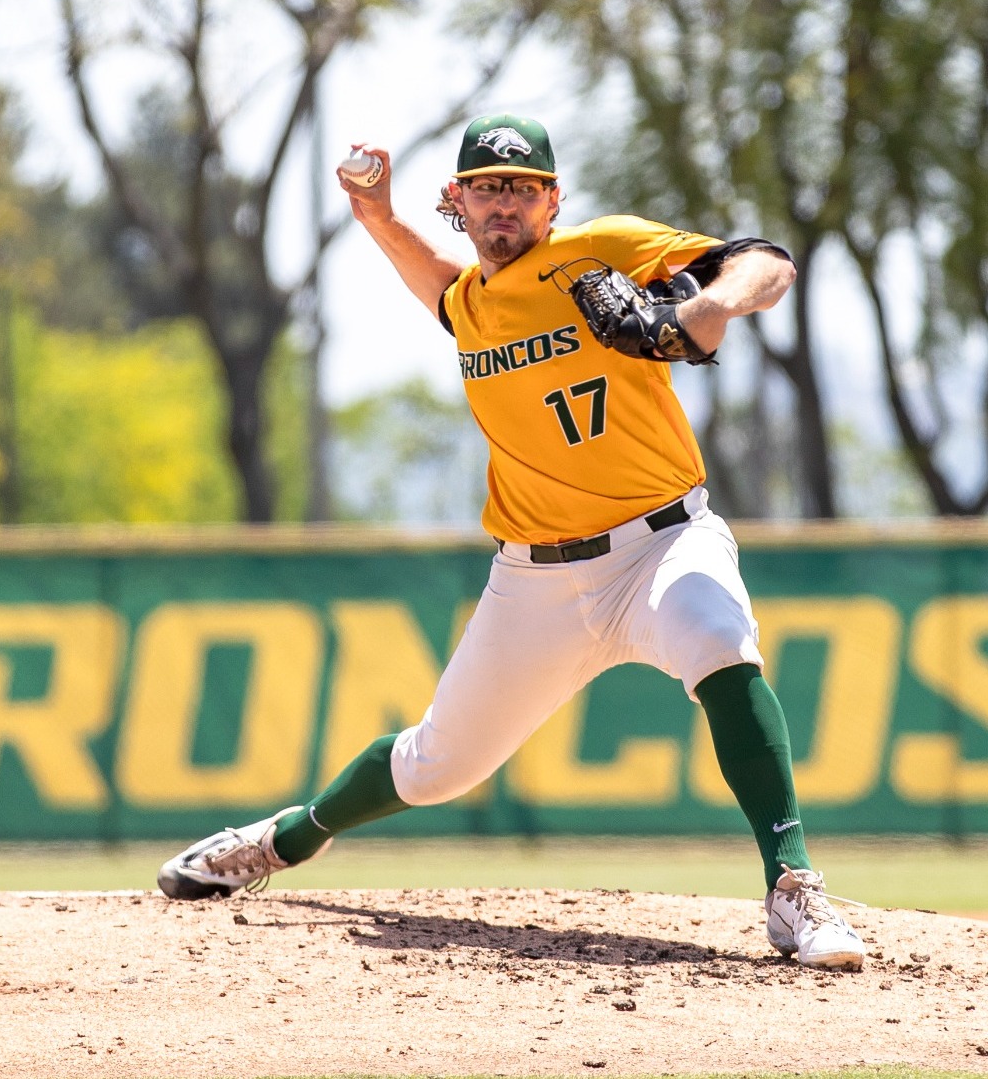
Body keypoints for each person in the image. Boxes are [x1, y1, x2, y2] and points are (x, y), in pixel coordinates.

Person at [155, 114, 866, 969]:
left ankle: (792, 888)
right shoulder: (473, 303)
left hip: (661, 542)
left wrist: (708, 303)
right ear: (458, 199)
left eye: (524, 188)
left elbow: (768, 261)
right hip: (535, 581)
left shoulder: (597, 249)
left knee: (719, 641)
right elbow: (438, 285)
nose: (506, 203)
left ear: (553, 199)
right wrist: (378, 217)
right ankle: (285, 839)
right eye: (488, 187)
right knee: (433, 766)